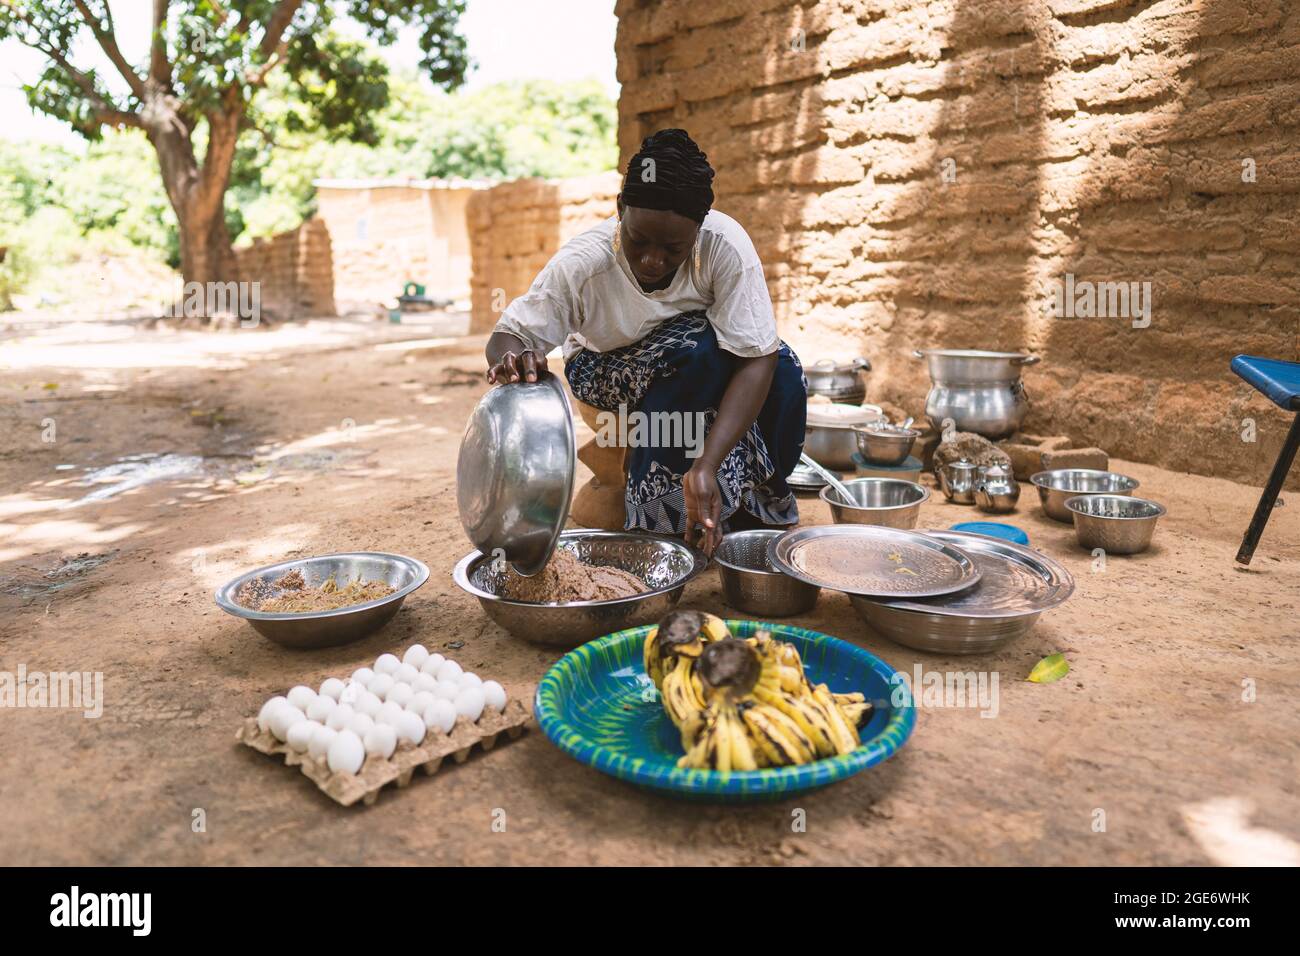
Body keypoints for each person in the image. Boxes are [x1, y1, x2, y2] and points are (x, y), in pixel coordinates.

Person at [483, 128, 806, 557]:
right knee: (694, 350)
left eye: (673, 248)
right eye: (639, 241)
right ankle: (661, 523)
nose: (653, 260)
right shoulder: (585, 263)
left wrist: (706, 464)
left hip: (696, 355)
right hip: (600, 365)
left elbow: (757, 358)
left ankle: (752, 506)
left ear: (699, 227)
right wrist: (511, 360)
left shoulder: (723, 247)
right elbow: (510, 335)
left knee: (784, 367)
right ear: (620, 210)